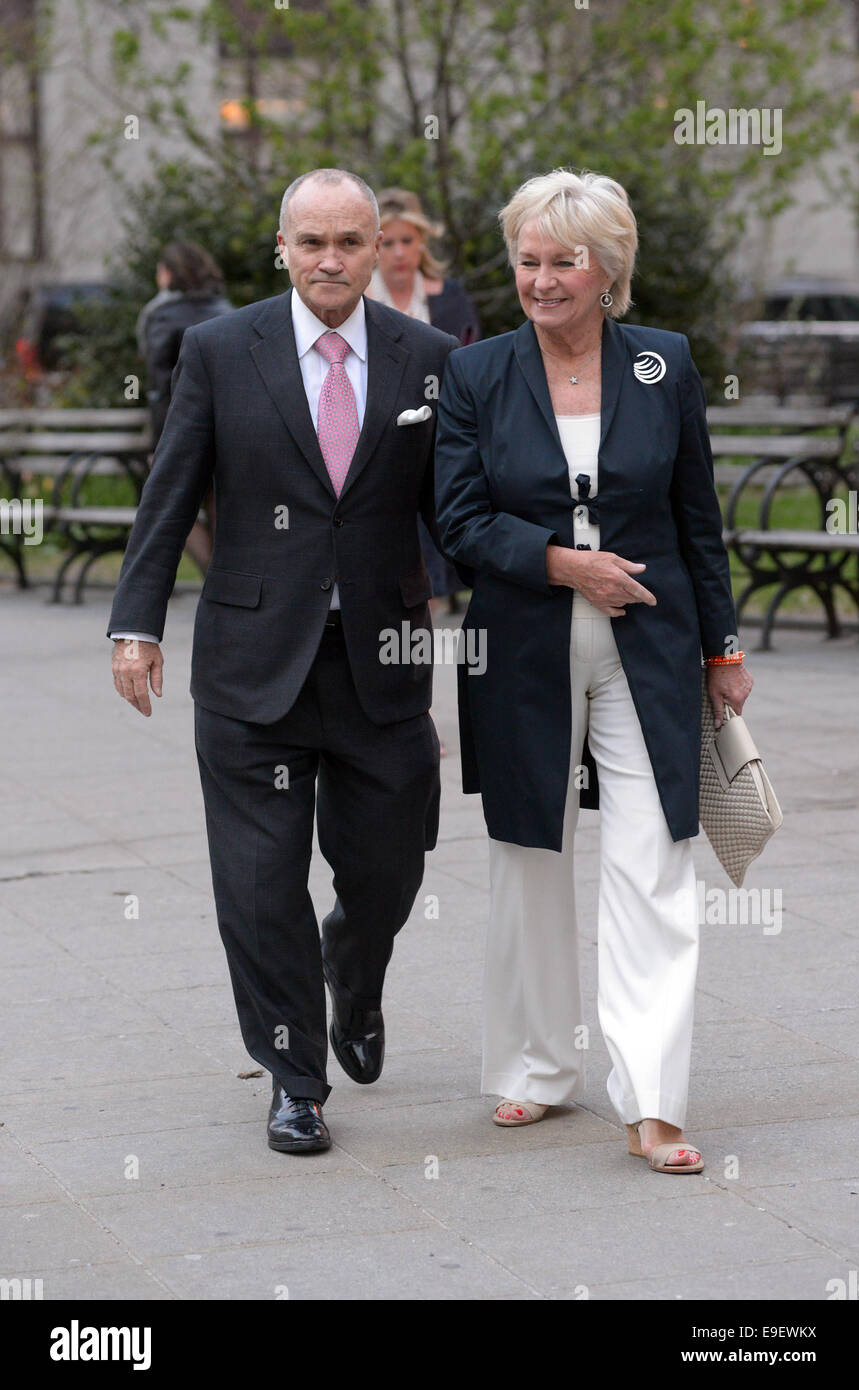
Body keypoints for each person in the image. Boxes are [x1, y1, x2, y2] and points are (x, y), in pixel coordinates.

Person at [109, 169, 458, 1155]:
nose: (332, 260)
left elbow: (454, 512)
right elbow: (170, 492)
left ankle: (352, 960)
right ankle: (293, 1077)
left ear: (379, 240)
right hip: (250, 663)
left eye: (350, 240)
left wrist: (528, 600)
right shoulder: (219, 349)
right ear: (282, 248)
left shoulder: (427, 357)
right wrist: (136, 622)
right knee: (258, 886)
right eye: (312, 243)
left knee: (388, 868)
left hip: (379, 667)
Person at [435, 168, 753, 1174]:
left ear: (605, 269)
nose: (540, 279)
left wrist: (723, 645)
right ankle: (533, 1066)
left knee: (653, 854)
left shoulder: (662, 363)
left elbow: (695, 516)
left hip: (650, 645)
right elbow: (455, 519)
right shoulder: (478, 372)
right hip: (524, 642)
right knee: (528, 852)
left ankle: (651, 1100)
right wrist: (561, 562)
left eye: (561, 261)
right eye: (526, 260)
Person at [367, 188, 480, 612]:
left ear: (422, 243)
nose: (399, 252)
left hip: (440, 418)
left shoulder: (447, 295)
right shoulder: (356, 297)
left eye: (408, 241)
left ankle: (440, 585)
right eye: (389, 242)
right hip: (375, 422)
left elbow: (470, 359)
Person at [139, 242, 233, 574]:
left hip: (177, 429)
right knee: (220, 508)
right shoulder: (225, 309)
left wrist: (157, 444)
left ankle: (216, 580)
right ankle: (228, 584)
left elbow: (158, 385)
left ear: (166, 274)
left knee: (173, 509)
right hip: (226, 428)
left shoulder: (158, 314)